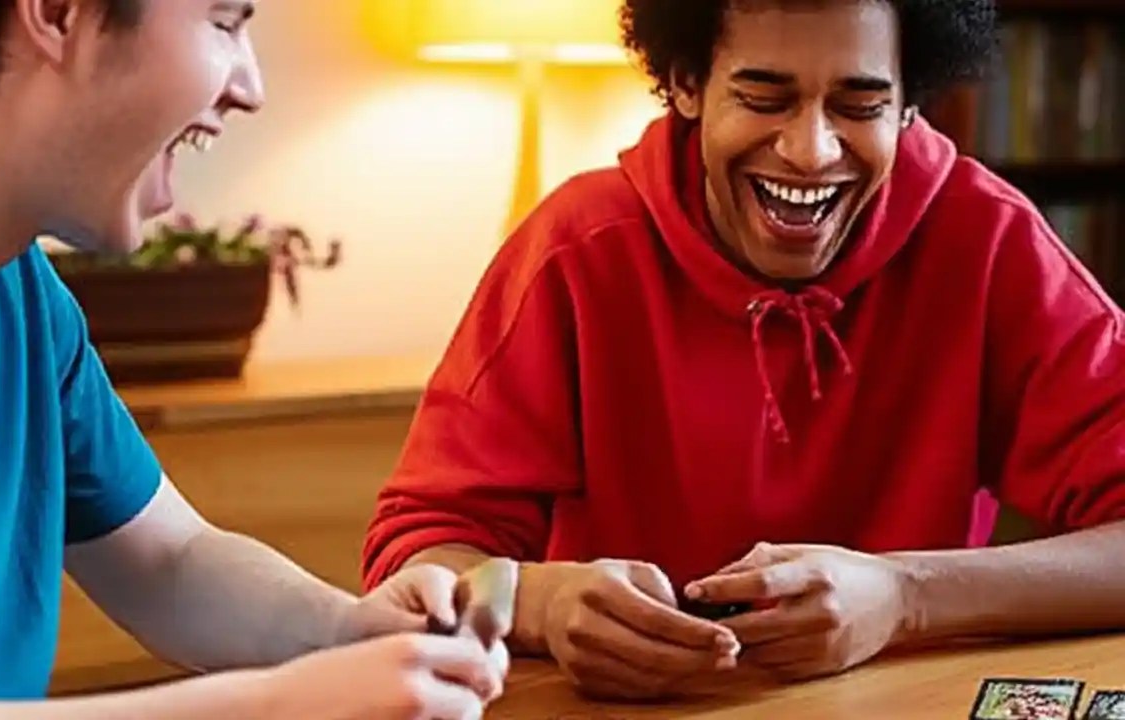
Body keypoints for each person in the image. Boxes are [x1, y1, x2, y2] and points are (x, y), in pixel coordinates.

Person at [361, 0, 1125, 702]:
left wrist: (907, 597)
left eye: (861, 106)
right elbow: (411, 567)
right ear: (687, 83)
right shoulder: (577, 251)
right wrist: (542, 603)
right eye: (764, 99)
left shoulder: (986, 241)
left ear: (911, 102)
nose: (810, 150)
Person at [0, 0, 513, 717]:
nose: (249, 87)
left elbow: (169, 562)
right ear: (58, 13)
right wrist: (267, 707)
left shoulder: (20, 294)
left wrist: (352, 630)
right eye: (225, 23)